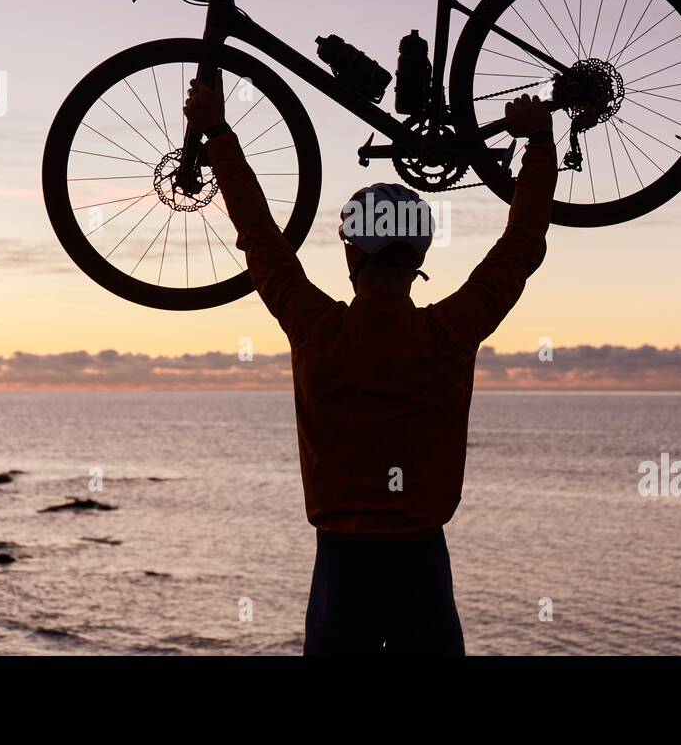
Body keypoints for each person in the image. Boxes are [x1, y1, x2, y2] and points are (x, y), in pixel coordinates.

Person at [184, 71, 557, 655]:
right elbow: (522, 243)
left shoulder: (316, 327)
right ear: (419, 257)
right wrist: (538, 142)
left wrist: (215, 133)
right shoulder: (449, 332)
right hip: (421, 562)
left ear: (352, 252)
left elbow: (259, 233)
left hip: (342, 565)